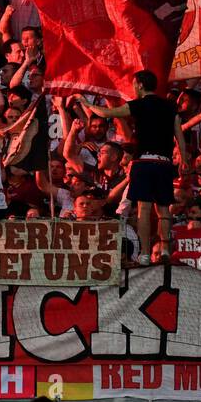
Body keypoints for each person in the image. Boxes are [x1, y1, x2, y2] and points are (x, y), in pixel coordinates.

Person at [80, 69, 189, 263]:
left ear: (139, 84)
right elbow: (178, 133)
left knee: (144, 209)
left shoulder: (138, 105)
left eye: (133, 84)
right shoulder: (170, 107)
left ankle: (145, 254)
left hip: (143, 162)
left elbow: (107, 112)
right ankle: (165, 251)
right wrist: (184, 157)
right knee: (163, 209)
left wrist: (86, 103)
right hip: (163, 163)